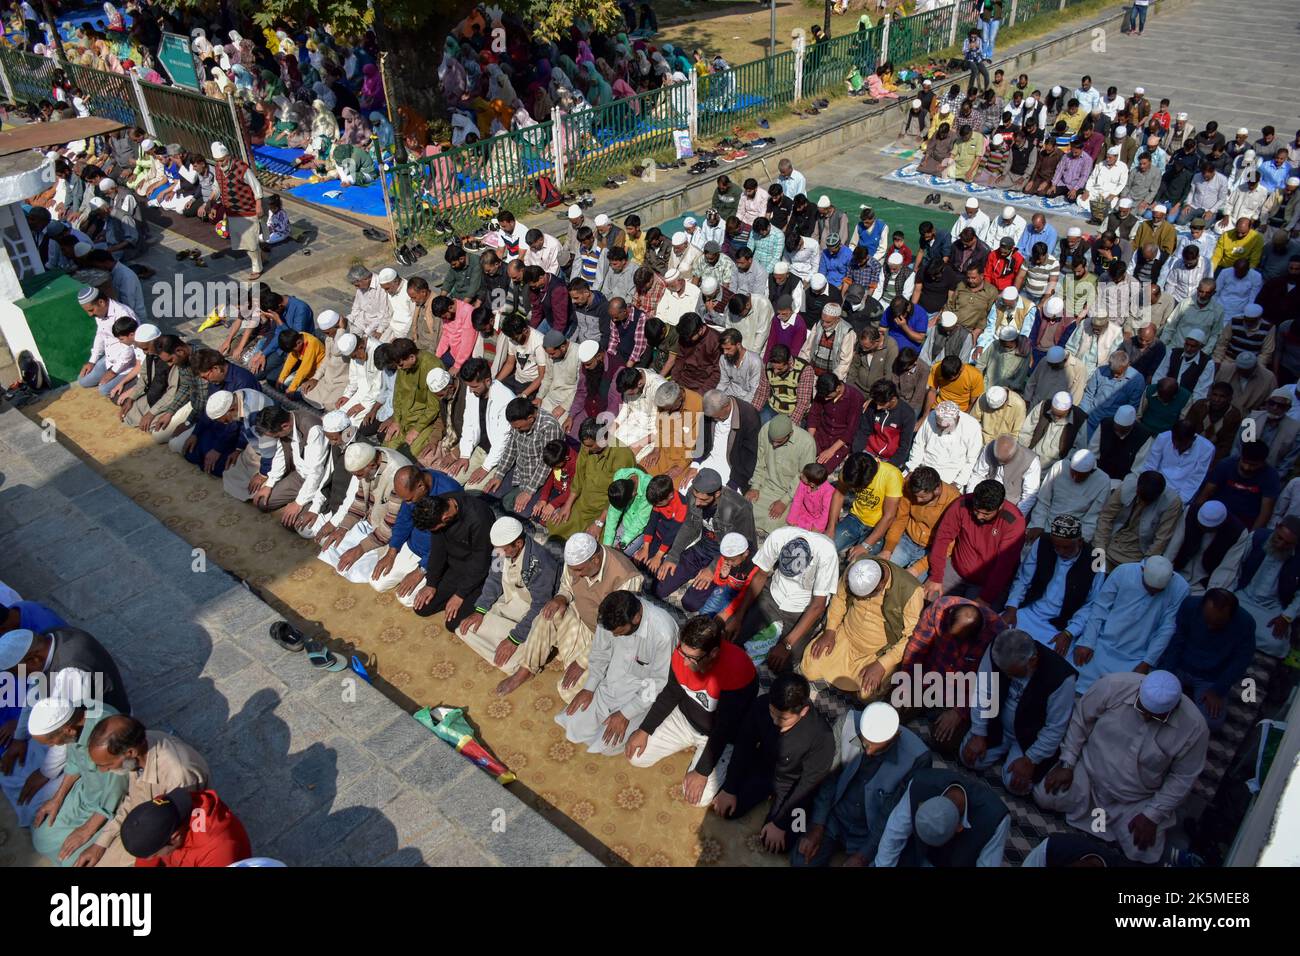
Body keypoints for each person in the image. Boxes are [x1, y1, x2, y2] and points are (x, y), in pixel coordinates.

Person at [1034, 670, 1208, 864]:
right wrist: (1067, 763)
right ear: (1139, 693)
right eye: (1142, 710)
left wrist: (1152, 815)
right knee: (1044, 795)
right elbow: (1080, 720)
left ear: (1172, 710)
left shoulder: (1194, 727)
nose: (1147, 718)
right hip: (1089, 774)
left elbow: (1183, 777)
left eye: (1155, 717)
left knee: (1144, 851)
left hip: (1135, 799)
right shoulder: (1114, 685)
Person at [626, 615, 758, 808]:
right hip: (685, 719)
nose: (685, 663)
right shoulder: (682, 654)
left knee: (699, 798)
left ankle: (728, 762)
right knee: (635, 756)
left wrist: (702, 772)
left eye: (691, 658)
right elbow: (671, 692)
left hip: (719, 735)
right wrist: (645, 729)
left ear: (713, 653)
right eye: (682, 653)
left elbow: (723, 729)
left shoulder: (738, 670)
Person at [499, 532, 643, 701]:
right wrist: (560, 598)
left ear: (595, 560)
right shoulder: (576, 563)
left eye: (579, 570)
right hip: (582, 620)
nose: (575, 575)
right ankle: (526, 669)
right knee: (549, 613)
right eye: (572, 569)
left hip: (608, 641)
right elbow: (566, 587)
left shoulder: (626, 578)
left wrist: (583, 661)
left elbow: (618, 632)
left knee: (568, 691)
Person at [793, 702, 931, 867]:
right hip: (835, 818)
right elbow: (829, 778)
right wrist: (817, 824)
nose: (868, 752)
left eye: (876, 746)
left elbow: (893, 814)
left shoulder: (917, 759)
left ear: (895, 737)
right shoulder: (847, 724)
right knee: (801, 861)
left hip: (871, 832)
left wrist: (863, 855)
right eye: (865, 743)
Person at [711, 673, 834, 854]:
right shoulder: (761, 704)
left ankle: (787, 819)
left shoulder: (822, 737)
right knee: (727, 809)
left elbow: (808, 785)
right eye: (772, 714)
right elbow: (744, 746)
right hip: (764, 768)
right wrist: (730, 787)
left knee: (783, 843)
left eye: (783, 719)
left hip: (794, 787)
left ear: (804, 711)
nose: (776, 722)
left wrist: (780, 823)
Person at [78, 716, 210, 868]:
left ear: (130, 752)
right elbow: (133, 799)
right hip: (144, 825)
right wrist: (101, 843)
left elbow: (179, 836)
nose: (103, 771)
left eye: (107, 764)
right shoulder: (139, 749)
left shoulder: (178, 775)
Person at [556, 591, 677, 757]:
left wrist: (625, 714)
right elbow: (600, 653)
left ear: (635, 619)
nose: (613, 635)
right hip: (609, 685)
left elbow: (656, 683)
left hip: (640, 696)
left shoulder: (663, 633)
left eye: (619, 632)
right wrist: (589, 688)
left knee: (607, 746)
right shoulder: (608, 616)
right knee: (572, 723)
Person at [960, 629, 1077, 795]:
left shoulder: (1062, 678)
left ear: (1033, 661)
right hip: (997, 723)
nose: (1008, 676)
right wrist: (979, 732)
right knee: (969, 759)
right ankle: (999, 749)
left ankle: (1015, 756)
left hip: (1029, 737)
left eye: (1013, 673)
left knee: (1016, 785)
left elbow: (1055, 727)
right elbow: (982, 690)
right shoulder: (998, 648)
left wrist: (1031, 759)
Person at [25, 697, 127, 867]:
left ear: (68, 730)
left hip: (113, 804)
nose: (51, 746)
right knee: (41, 837)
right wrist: (57, 799)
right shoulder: (75, 720)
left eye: (51, 742)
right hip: (86, 792)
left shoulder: (107, 734)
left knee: (72, 861)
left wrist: (87, 830)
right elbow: (74, 763)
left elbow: (116, 790)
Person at [803, 558, 924, 701]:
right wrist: (830, 631)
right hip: (845, 636)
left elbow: (911, 637)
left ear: (881, 586)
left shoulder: (912, 591)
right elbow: (839, 599)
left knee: (867, 694)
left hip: (876, 652)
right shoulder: (856, 568)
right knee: (808, 669)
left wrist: (882, 664)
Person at [724, 527, 840, 674]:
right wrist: (739, 615)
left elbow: (818, 605)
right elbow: (760, 576)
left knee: (784, 666)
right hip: (773, 594)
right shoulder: (778, 537)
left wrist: (787, 645)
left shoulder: (827, 552)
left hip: (803, 609)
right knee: (735, 638)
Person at [899, 597, 1006, 753]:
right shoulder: (939, 609)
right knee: (894, 710)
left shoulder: (998, 635)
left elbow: (990, 686)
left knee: (944, 742)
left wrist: (959, 712)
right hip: (929, 680)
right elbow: (917, 648)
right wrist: (908, 684)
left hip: (963, 695)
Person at [455, 516, 560, 673]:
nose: (499, 553)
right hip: (508, 603)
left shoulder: (540, 564)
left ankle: (522, 648)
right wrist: (480, 610)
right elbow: (494, 579)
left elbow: (539, 605)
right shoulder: (499, 551)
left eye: (504, 549)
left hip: (530, 611)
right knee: (464, 630)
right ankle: (513, 648)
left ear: (518, 544)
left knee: (509, 664)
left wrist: (514, 639)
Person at [1072, 555, 1190, 692]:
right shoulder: (1123, 572)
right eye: (1148, 588)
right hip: (1104, 643)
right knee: (1079, 675)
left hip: (1138, 654)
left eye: (1157, 591)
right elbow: (1100, 608)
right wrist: (1088, 642)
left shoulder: (1180, 588)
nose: (1152, 594)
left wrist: (1147, 662)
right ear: (1142, 571)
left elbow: (1167, 629)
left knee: (1123, 691)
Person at [1004, 514, 1106, 654]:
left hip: (1061, 625)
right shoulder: (1043, 542)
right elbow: (1023, 578)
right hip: (1029, 612)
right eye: (1056, 546)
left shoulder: (1097, 557)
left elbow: (1092, 603)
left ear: (1080, 541)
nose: (1060, 551)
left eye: (1066, 547)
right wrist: (1012, 607)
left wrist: (1070, 632)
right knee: (999, 638)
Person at [1159, 589, 1257, 731]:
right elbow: (1177, 641)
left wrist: (1218, 691)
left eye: (1218, 623)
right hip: (1181, 666)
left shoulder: (1245, 623)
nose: (1210, 627)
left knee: (1211, 722)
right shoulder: (1190, 605)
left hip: (1211, 678)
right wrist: (1166, 673)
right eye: (1207, 620)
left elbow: (1242, 660)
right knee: (1151, 692)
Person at [873, 768, 1010, 867]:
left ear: (959, 827)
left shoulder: (995, 818)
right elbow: (894, 834)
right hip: (917, 857)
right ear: (922, 805)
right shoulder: (921, 785)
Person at [655, 468, 756, 599]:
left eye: (703, 500)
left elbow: (745, 545)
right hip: (702, 548)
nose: (697, 503)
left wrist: (713, 569)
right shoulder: (693, 493)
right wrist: (673, 556)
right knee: (659, 588)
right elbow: (689, 527)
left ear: (717, 493)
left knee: (690, 602)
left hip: (725, 557)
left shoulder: (740, 507)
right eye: (696, 497)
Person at [925, 479, 1026, 608]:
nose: (979, 516)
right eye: (976, 510)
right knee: (928, 598)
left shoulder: (1014, 522)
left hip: (986, 584)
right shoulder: (962, 504)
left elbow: (1004, 567)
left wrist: (986, 598)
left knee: (969, 619)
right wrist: (936, 577)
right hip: (956, 570)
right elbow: (942, 539)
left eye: (986, 514)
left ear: (1000, 507)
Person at [408, 492, 494, 626]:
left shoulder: (478, 518)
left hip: (480, 573)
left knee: (452, 623)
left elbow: (481, 561)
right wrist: (431, 583)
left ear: (445, 517)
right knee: (422, 608)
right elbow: (438, 551)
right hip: (455, 567)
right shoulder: (439, 504)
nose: (434, 531)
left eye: (435, 528)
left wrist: (460, 594)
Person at [120, 788, 251, 867]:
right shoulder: (162, 808)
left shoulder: (218, 850)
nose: (152, 858)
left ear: (175, 837)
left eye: (154, 855)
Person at [1231, 516, 1300, 656]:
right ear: (1276, 527)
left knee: (1276, 643)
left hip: (1273, 609)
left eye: (1287, 543)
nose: (1280, 545)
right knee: (1224, 616)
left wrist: (1287, 617)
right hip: (1243, 596)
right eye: (1279, 538)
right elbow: (1234, 567)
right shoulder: (1257, 537)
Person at [1095, 471, 1183, 570]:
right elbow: (1106, 517)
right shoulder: (1126, 488)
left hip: (1141, 551)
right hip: (1113, 541)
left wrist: (1145, 564)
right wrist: (1100, 549)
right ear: (1137, 490)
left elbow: (1162, 539)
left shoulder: (1172, 503)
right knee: (1093, 570)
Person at [1029, 449, 1119, 545]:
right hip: (1046, 524)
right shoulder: (1059, 466)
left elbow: (1093, 518)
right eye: (1073, 472)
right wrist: (1037, 524)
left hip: (1073, 535)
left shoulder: (1103, 481)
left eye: (1081, 476)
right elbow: (1043, 500)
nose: (1075, 477)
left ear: (1091, 472)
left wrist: (1080, 540)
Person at [747, 414, 818, 537]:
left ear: (790, 434)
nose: (774, 445)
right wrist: (755, 486)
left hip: (790, 494)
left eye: (778, 442)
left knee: (773, 523)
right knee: (745, 508)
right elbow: (759, 461)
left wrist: (784, 501)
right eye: (772, 440)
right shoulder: (765, 429)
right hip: (765, 486)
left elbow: (804, 478)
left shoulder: (807, 443)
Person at [1167, 500, 1250, 596]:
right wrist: (1166, 569)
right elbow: (1174, 544)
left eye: (1208, 527)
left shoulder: (1238, 532)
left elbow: (1227, 568)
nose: (1204, 528)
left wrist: (1211, 594)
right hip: (1177, 571)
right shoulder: (1191, 511)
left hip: (1202, 584)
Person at [209, 140, 264, 278]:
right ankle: (261, 256)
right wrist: (211, 202)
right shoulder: (218, 168)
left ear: (228, 156)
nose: (220, 163)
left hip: (247, 209)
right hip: (232, 211)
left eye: (222, 160)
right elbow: (217, 187)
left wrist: (258, 205)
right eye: (218, 161)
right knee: (244, 241)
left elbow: (256, 186)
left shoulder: (241, 168)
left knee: (250, 242)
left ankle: (257, 268)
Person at [1198, 442, 1280, 530]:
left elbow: (1265, 512)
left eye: (1253, 465)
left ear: (1262, 463)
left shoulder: (1270, 476)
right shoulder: (1226, 465)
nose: (1247, 467)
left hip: (1244, 522)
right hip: (1217, 514)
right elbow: (1206, 493)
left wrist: (1250, 537)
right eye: (1244, 462)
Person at [905, 400, 983, 488]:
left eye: (945, 427)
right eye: (939, 426)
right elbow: (919, 445)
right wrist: (912, 469)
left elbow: (971, 460)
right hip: (923, 470)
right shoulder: (931, 416)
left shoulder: (972, 426)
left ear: (957, 419)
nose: (942, 430)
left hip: (950, 478)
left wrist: (957, 483)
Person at [1140, 419, 1216, 505]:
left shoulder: (1207, 449)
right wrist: (1147, 490)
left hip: (1178, 495)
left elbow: (1195, 480)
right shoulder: (1163, 437)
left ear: (1193, 439)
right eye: (1173, 442)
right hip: (1155, 487)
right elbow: (1150, 466)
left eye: (1181, 445)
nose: (1176, 446)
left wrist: (1178, 503)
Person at [966, 434, 1041, 512]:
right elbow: (978, 474)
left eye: (1004, 461)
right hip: (985, 498)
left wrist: (1015, 517)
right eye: (997, 459)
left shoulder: (1031, 461)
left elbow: (1029, 496)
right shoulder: (989, 448)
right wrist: (973, 499)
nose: (999, 463)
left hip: (1011, 505)